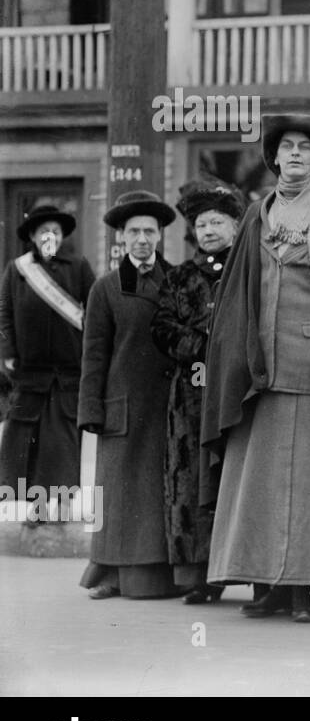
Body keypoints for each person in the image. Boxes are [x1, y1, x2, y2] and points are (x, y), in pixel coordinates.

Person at [201, 114, 310, 623]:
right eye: (286, 148)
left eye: (303, 149)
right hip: (259, 370)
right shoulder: (256, 214)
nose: (293, 155)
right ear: (274, 158)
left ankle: (300, 591)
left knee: (309, 487)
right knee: (261, 483)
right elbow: (237, 292)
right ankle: (266, 583)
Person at [78, 191, 178, 599]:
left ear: (159, 236)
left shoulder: (174, 281)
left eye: (149, 231)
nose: (142, 239)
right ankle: (111, 576)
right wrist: (91, 409)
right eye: (134, 231)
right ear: (121, 236)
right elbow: (94, 353)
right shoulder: (106, 288)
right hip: (121, 407)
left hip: (165, 408)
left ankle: (160, 579)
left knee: (157, 495)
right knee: (117, 494)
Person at [150, 180, 246, 604]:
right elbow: (161, 328)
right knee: (189, 481)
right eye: (201, 223)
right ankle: (196, 576)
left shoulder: (247, 272)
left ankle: (232, 570)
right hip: (188, 395)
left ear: (234, 225)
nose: (208, 230)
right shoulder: (179, 276)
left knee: (229, 475)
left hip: (233, 392)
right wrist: (202, 344)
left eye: (217, 222)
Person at [0, 204, 95, 518]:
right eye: (43, 231)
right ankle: (35, 506)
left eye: (55, 231)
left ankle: (63, 505)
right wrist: (9, 353)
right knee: (25, 441)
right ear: (32, 237)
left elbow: (94, 314)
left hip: (68, 373)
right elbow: (4, 314)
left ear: (62, 236)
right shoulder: (17, 269)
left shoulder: (78, 265)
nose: (49, 236)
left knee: (63, 445)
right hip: (30, 373)